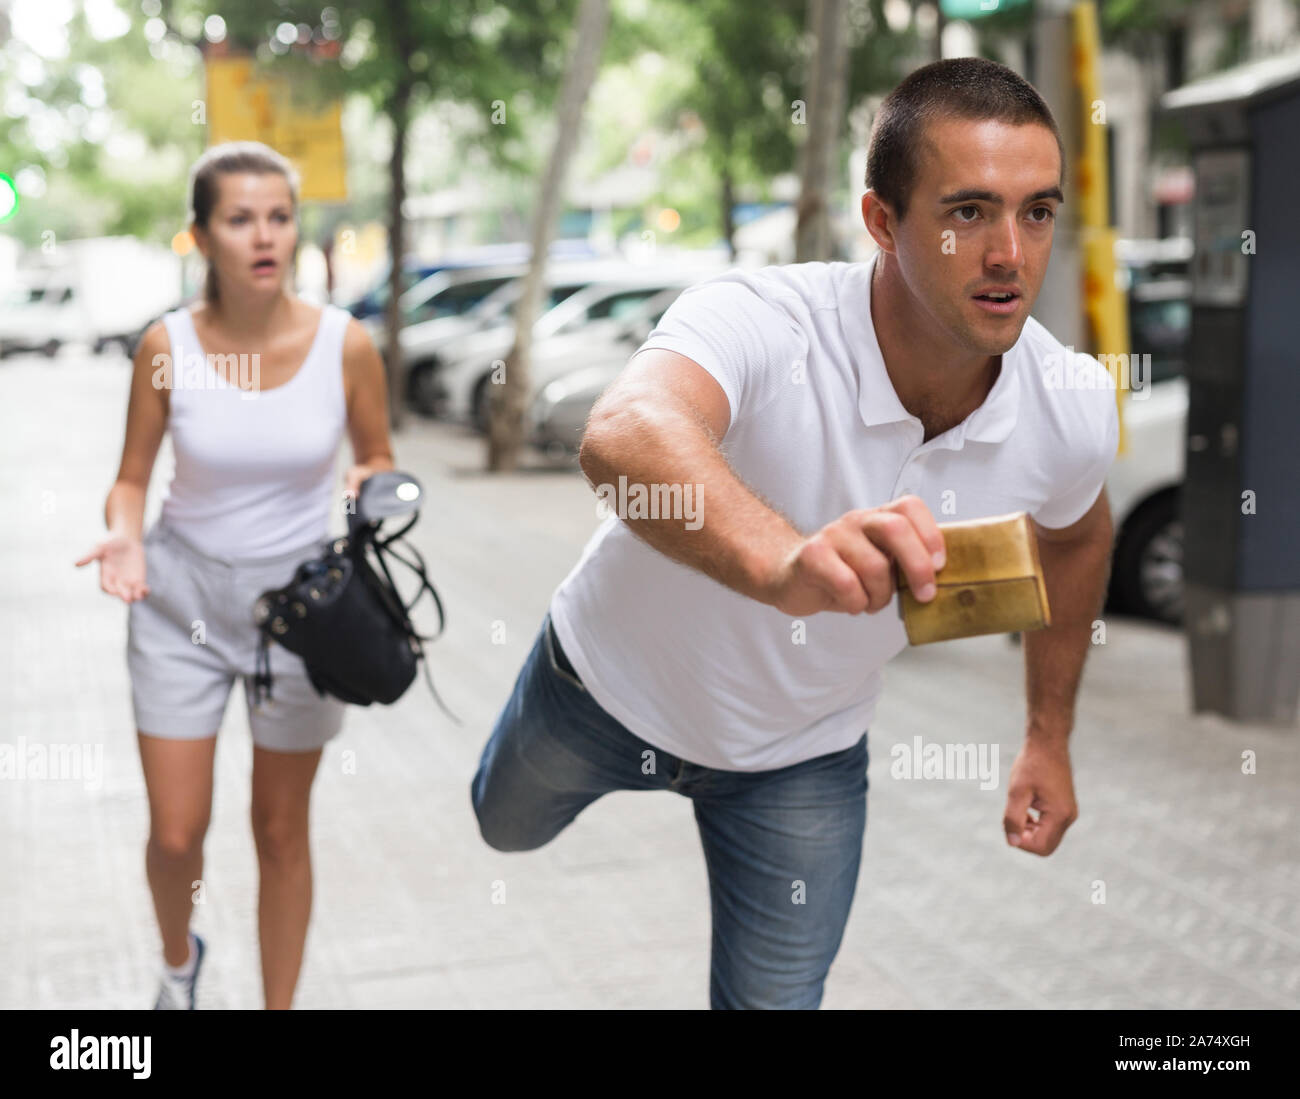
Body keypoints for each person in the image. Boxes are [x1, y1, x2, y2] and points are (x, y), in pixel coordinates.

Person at [471, 57, 1120, 1009]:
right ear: (883, 222)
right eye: (968, 211)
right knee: (502, 826)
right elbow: (623, 433)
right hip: (603, 688)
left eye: (1037, 211)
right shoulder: (767, 318)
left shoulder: (1068, 403)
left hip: (799, 753)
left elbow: (1076, 537)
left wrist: (1047, 734)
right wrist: (785, 560)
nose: (1010, 254)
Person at [76, 141, 395, 1010]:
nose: (265, 235)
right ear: (201, 235)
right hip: (177, 602)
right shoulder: (165, 345)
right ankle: (178, 960)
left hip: (302, 617)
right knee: (178, 833)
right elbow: (131, 478)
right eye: (240, 217)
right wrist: (124, 536)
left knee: (281, 828)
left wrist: (371, 485)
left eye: (280, 216)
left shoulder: (345, 344)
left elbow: (375, 455)